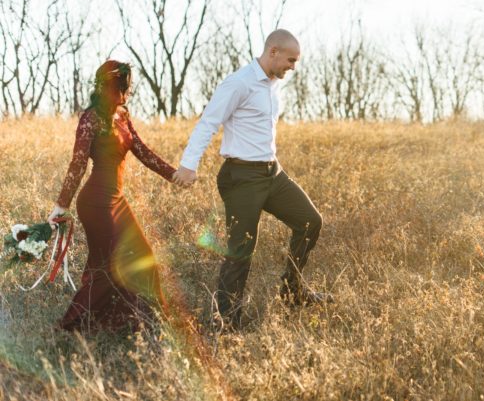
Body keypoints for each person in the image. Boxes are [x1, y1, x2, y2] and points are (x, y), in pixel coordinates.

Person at [174, 29, 330, 327]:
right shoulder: (239, 83)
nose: (293, 67)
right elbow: (208, 122)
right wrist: (188, 165)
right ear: (273, 51)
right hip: (242, 177)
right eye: (291, 60)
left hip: (272, 173)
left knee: (311, 221)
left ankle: (292, 292)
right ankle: (226, 322)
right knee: (241, 250)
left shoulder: (274, 85)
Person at [48, 59, 178, 333]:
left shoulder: (123, 116)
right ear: (109, 88)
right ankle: (67, 328)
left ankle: (139, 323)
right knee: (109, 268)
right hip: (95, 203)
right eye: (122, 89)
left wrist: (174, 174)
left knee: (144, 256)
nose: (127, 94)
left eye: (127, 89)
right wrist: (61, 205)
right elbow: (78, 163)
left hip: (117, 201)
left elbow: (142, 151)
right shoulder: (91, 118)